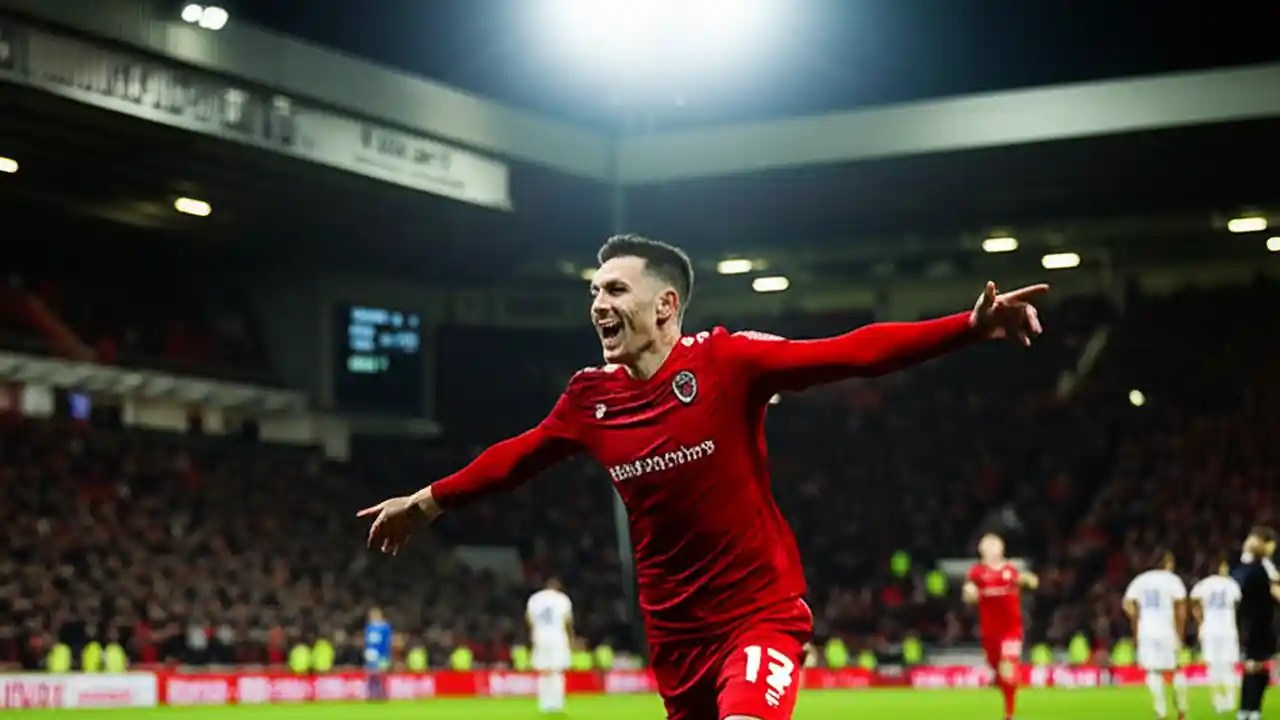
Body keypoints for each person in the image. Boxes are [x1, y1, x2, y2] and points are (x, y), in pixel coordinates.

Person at [358, 234, 1047, 720]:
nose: (598, 303)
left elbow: (849, 353)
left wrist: (965, 326)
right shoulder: (589, 399)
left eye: (615, 289)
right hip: (675, 638)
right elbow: (519, 456)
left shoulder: (727, 362)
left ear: (665, 305)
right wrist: (427, 502)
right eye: (594, 290)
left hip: (760, 615)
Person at [962, 533, 1039, 720]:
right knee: (995, 665)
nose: (989, 551)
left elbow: (1031, 581)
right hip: (990, 632)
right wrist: (969, 593)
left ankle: (1009, 713)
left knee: (1007, 668)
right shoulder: (977, 572)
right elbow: (968, 591)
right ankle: (1002, 680)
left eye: (993, 547)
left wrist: (1030, 580)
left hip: (1011, 630)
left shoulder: (1010, 570)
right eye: (986, 548)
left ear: (1000, 550)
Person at [1123, 550, 1189, 720]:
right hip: (1167, 630)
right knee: (1175, 669)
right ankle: (1182, 710)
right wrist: (1180, 634)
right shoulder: (1173, 580)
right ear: (1167, 563)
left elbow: (1128, 604)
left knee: (1153, 671)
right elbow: (1181, 610)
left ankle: (1161, 712)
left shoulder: (1140, 580)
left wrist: (1136, 624)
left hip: (1146, 631)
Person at [1230, 526, 1280, 720]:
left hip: (1257, 623)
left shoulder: (1248, 567)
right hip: (1255, 624)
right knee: (1255, 668)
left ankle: (1250, 709)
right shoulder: (1257, 569)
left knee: (1257, 669)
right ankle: (1249, 709)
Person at [1190, 556, 1243, 715]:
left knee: (1213, 667)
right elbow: (1238, 604)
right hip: (1227, 629)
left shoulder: (1203, 585)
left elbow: (1193, 603)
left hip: (1209, 630)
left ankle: (1218, 701)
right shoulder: (1231, 584)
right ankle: (1230, 700)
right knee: (1228, 665)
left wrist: (1200, 621)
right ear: (1221, 567)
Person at [527, 577, 574, 714]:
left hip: (540, 637)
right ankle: (557, 704)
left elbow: (529, 619)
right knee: (557, 671)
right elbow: (567, 620)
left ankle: (544, 704)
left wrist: (534, 634)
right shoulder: (562, 599)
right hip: (557, 637)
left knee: (544, 671)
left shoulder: (535, 599)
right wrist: (571, 637)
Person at [363, 607, 392, 701]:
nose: (372, 617)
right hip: (372, 653)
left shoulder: (385, 627)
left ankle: (383, 694)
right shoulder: (369, 627)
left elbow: (387, 642)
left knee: (381, 674)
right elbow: (367, 642)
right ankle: (372, 695)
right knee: (372, 675)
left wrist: (387, 654)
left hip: (382, 654)